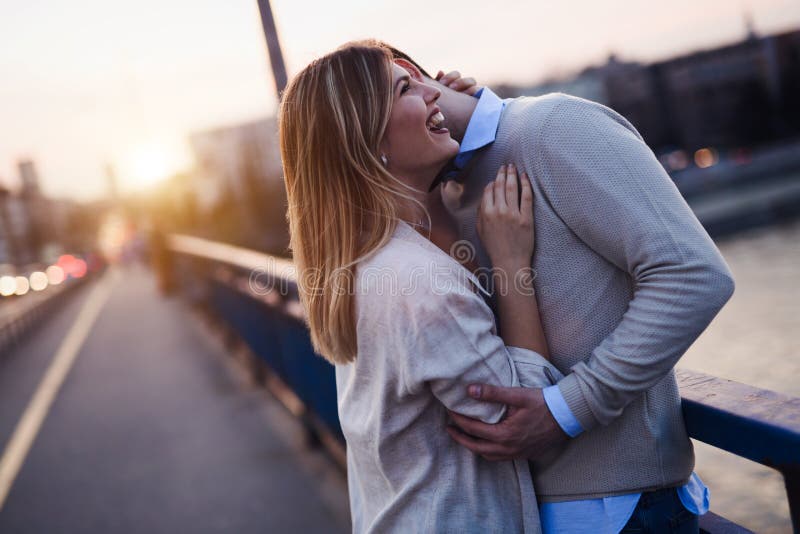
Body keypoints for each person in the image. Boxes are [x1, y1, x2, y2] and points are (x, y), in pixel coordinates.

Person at [377, 42, 734, 532]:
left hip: (618, 508)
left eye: (401, 87)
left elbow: (694, 274)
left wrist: (567, 407)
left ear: (415, 76)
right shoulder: (443, 188)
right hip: (517, 509)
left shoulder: (553, 128)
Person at [279, 43, 561, 532]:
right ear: (368, 141)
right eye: (406, 88)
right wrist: (512, 261)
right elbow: (526, 417)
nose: (434, 91)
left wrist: (447, 136)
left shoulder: (360, 267)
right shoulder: (420, 287)